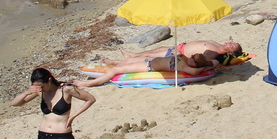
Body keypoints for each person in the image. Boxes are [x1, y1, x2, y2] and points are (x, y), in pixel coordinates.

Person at [10, 68, 95, 139]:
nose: (40, 89)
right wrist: (27, 92)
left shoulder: (66, 89)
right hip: (44, 137)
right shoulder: (40, 92)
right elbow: (15, 103)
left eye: (41, 86)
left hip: (62, 138)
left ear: (49, 80)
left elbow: (90, 99)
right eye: (36, 86)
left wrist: (73, 116)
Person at [75, 53, 217, 88]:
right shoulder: (186, 59)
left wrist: (203, 67)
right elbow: (214, 62)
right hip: (149, 61)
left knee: (117, 70)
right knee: (124, 62)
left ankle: (88, 84)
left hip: (149, 67)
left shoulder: (186, 67)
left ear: (195, 63)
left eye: (193, 58)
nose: (191, 56)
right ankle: (111, 62)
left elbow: (194, 73)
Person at [111, 41, 243, 66]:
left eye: (232, 46)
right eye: (232, 42)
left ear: (231, 53)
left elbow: (199, 61)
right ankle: (133, 55)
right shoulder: (216, 44)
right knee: (155, 50)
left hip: (178, 53)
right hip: (180, 46)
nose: (230, 43)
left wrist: (181, 56)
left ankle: (126, 59)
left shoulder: (213, 53)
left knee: (150, 56)